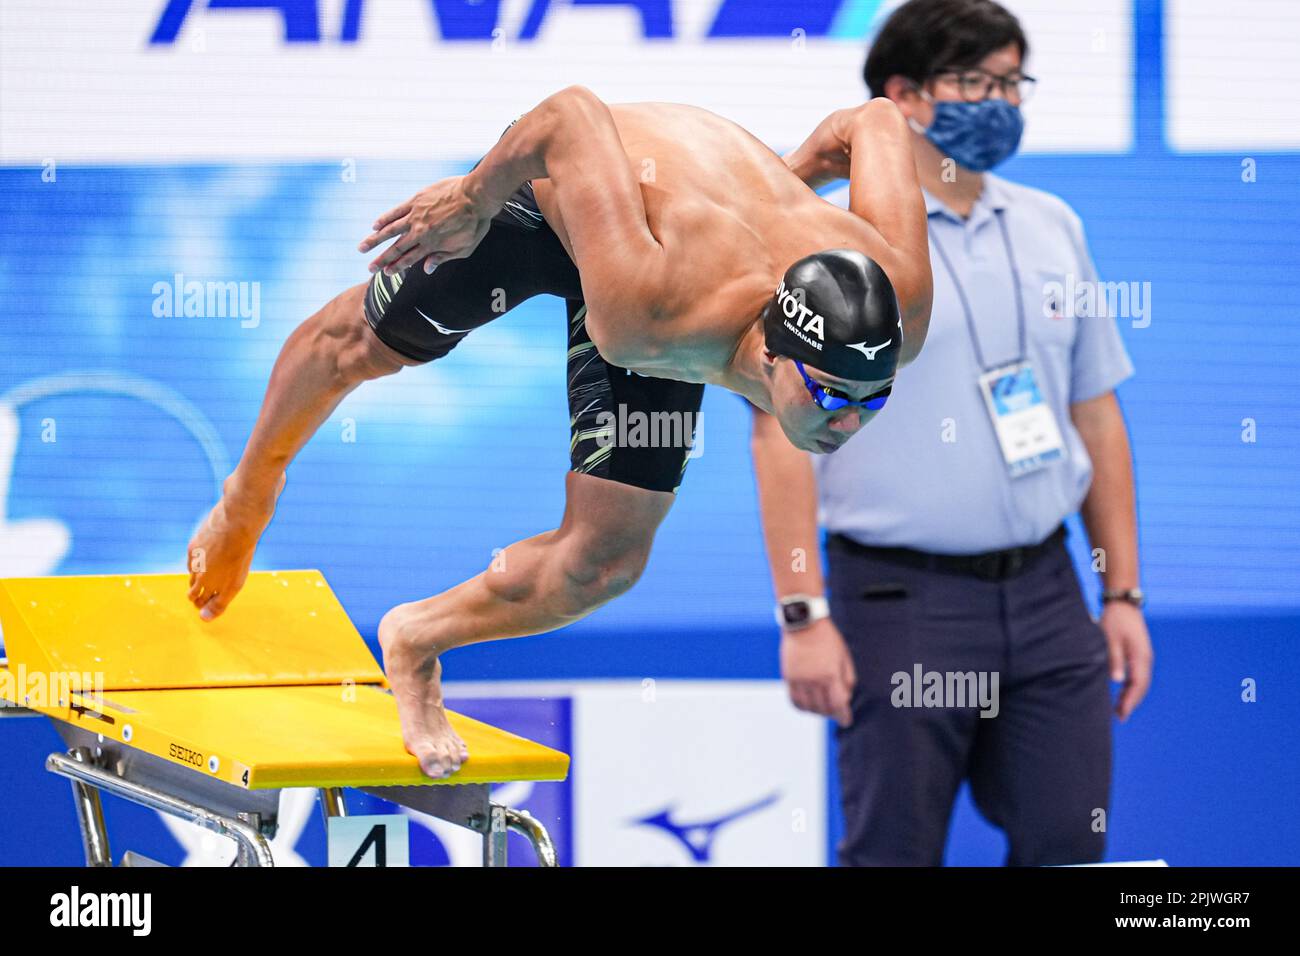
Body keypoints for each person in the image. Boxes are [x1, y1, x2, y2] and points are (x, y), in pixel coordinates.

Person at [185, 86, 934, 780]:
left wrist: (781, 184)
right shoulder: (656, 308)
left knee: (602, 565)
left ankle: (414, 638)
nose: (849, 423)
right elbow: (571, 117)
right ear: (771, 351)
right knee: (357, 346)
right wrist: (476, 196)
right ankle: (247, 495)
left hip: (672, 256)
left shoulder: (902, 315)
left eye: (873, 400)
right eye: (833, 395)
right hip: (568, 193)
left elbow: (873, 122)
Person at [751, 0, 1152, 866]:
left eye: (1013, 82)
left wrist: (1121, 594)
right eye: (977, 82)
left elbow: (1095, 411)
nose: (1001, 102)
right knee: (894, 852)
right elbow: (778, 436)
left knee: (1068, 845)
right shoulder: (831, 247)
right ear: (901, 96)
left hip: (1049, 594)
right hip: (901, 602)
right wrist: (802, 614)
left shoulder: (1052, 226)